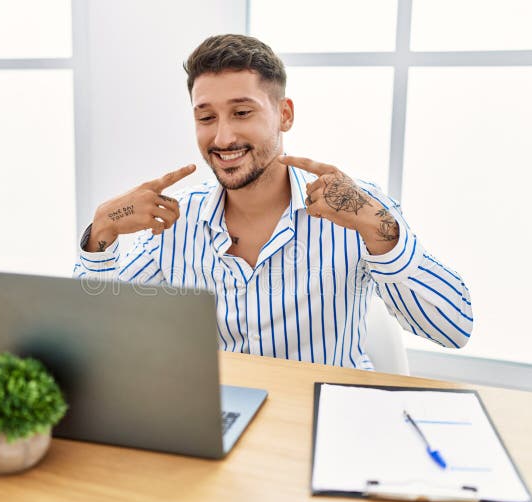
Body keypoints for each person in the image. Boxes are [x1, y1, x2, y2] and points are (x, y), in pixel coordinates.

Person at [73, 34, 472, 370]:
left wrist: (379, 230)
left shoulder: (355, 209)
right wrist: (102, 231)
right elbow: (89, 340)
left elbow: (454, 327)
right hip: (225, 422)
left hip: (326, 416)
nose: (223, 138)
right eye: (206, 118)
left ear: (285, 114)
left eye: (242, 112)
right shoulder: (177, 220)